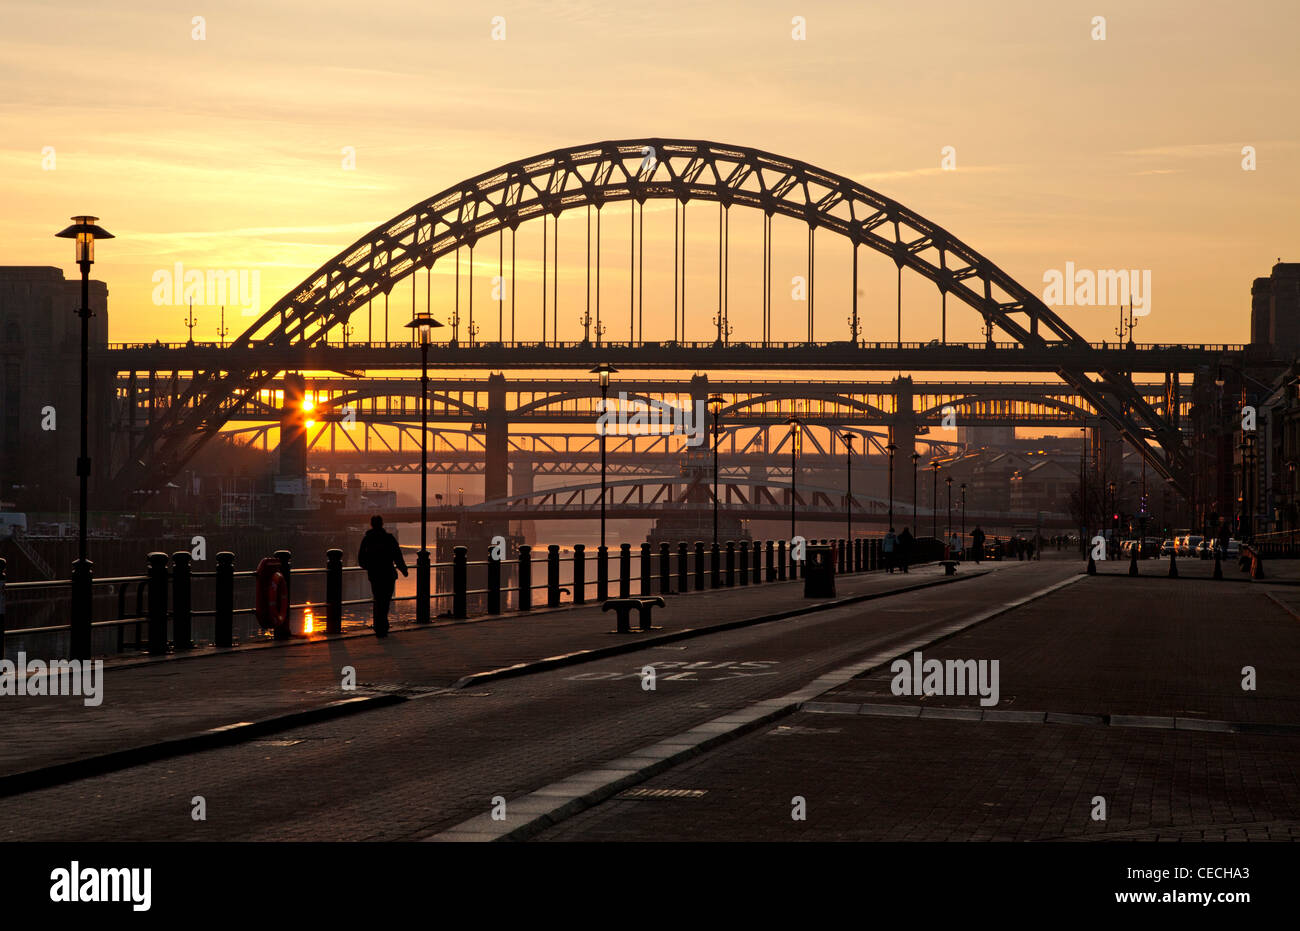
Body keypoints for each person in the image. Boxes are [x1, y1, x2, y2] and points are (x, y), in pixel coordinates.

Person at [357, 515, 408, 637]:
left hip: (375, 575)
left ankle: (379, 625)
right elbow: (397, 556)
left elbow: (361, 559)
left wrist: (369, 567)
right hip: (388, 574)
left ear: (371, 524)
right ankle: (383, 624)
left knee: (378, 598)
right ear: (382, 524)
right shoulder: (389, 538)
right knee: (385, 600)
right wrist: (403, 570)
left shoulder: (367, 539)